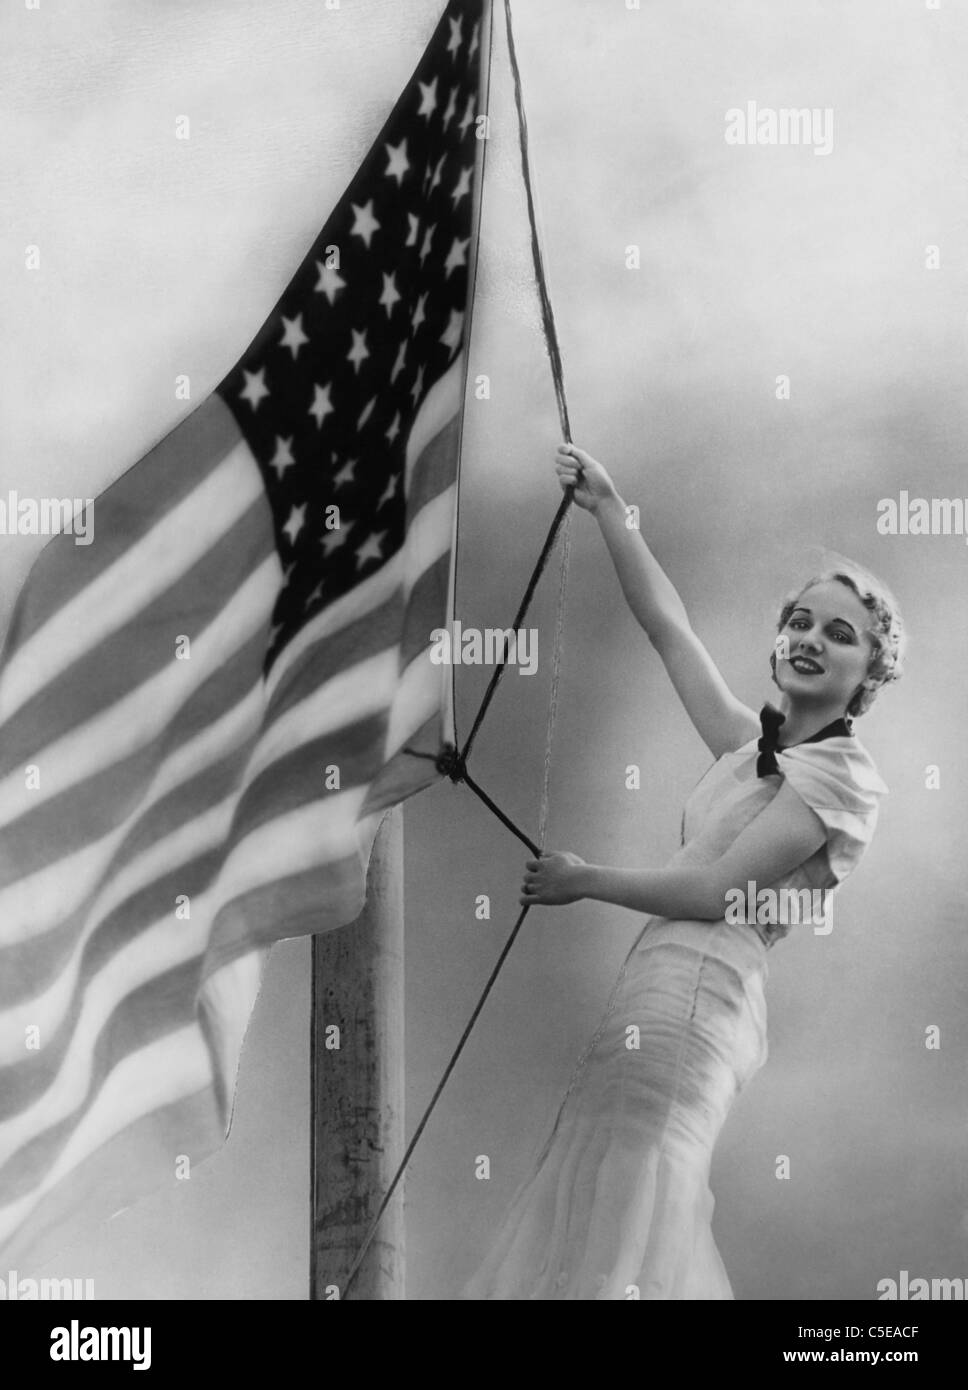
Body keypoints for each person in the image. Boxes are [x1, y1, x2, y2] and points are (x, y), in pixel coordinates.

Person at [458, 442, 905, 1301]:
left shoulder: (842, 778)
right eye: (802, 623)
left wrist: (585, 880)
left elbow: (715, 893)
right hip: (656, 979)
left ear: (865, 681)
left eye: (840, 635)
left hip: (704, 984)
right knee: (599, 1183)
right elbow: (669, 631)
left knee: (637, 1184)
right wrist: (610, 507)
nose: (811, 639)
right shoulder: (752, 751)